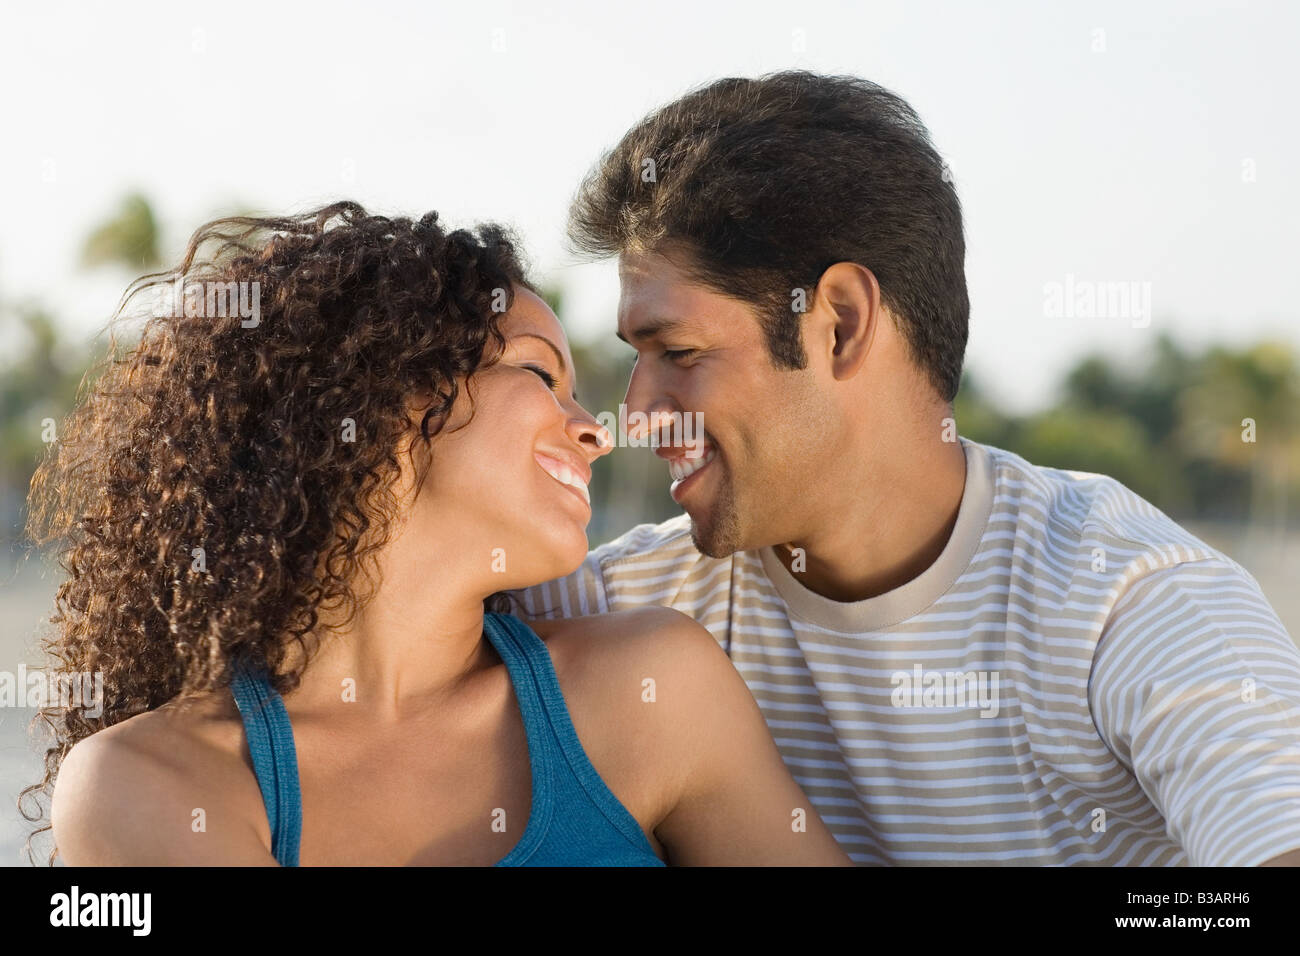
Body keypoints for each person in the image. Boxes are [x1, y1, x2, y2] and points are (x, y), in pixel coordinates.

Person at [508, 70, 1300, 866]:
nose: (636, 414)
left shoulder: (1126, 601)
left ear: (841, 325)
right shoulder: (610, 609)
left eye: (678, 352)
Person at [26, 202, 851, 866]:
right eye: (536, 372)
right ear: (380, 398)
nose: (596, 430)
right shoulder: (153, 782)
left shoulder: (652, 689)